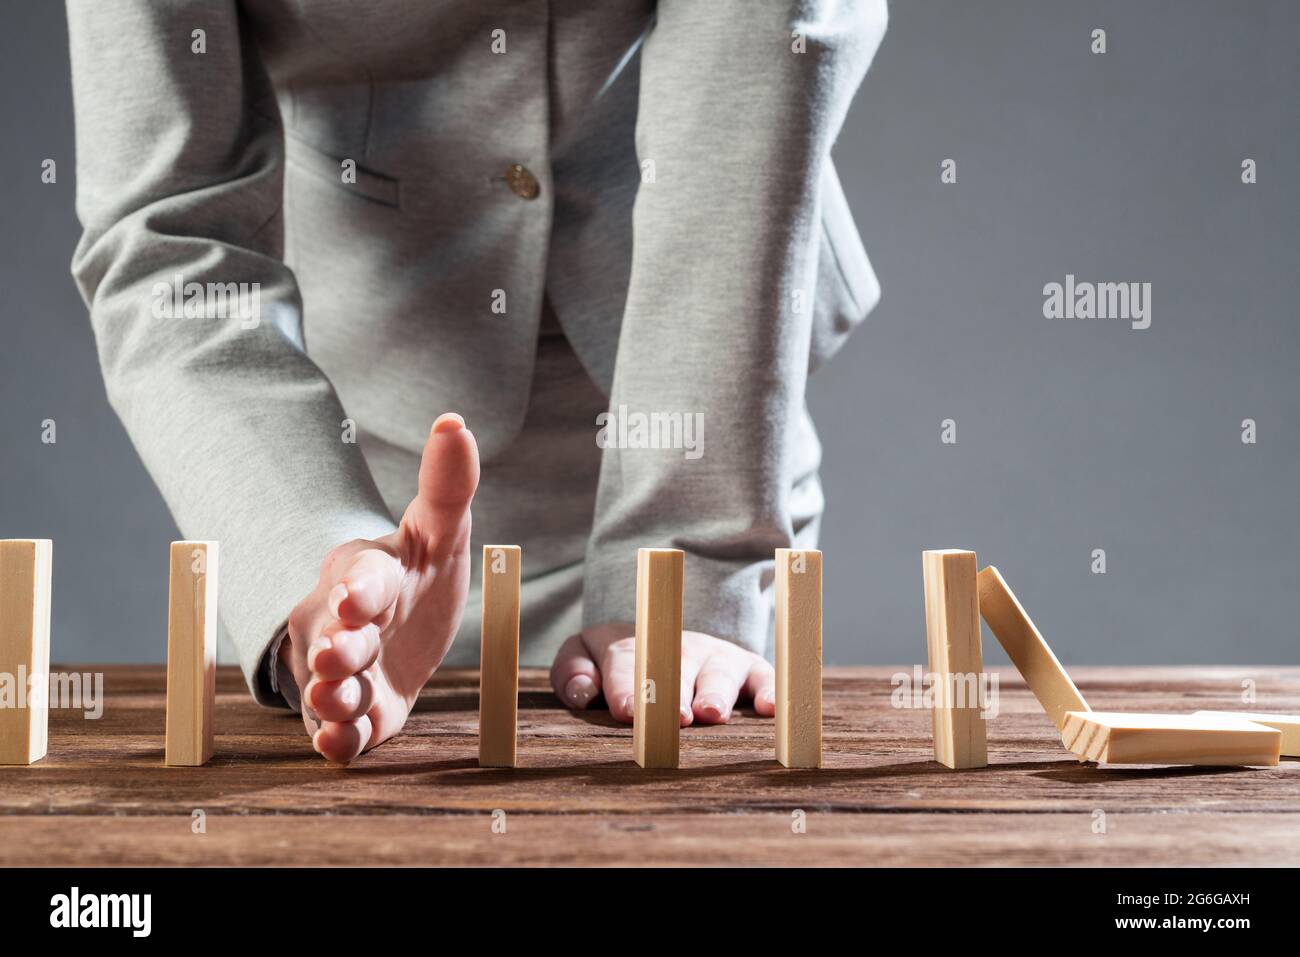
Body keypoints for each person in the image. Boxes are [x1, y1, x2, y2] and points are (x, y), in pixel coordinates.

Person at [66, 0, 886, 763]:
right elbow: (167, 233)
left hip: (706, 403)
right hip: (344, 443)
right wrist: (316, 564)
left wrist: (692, 548)